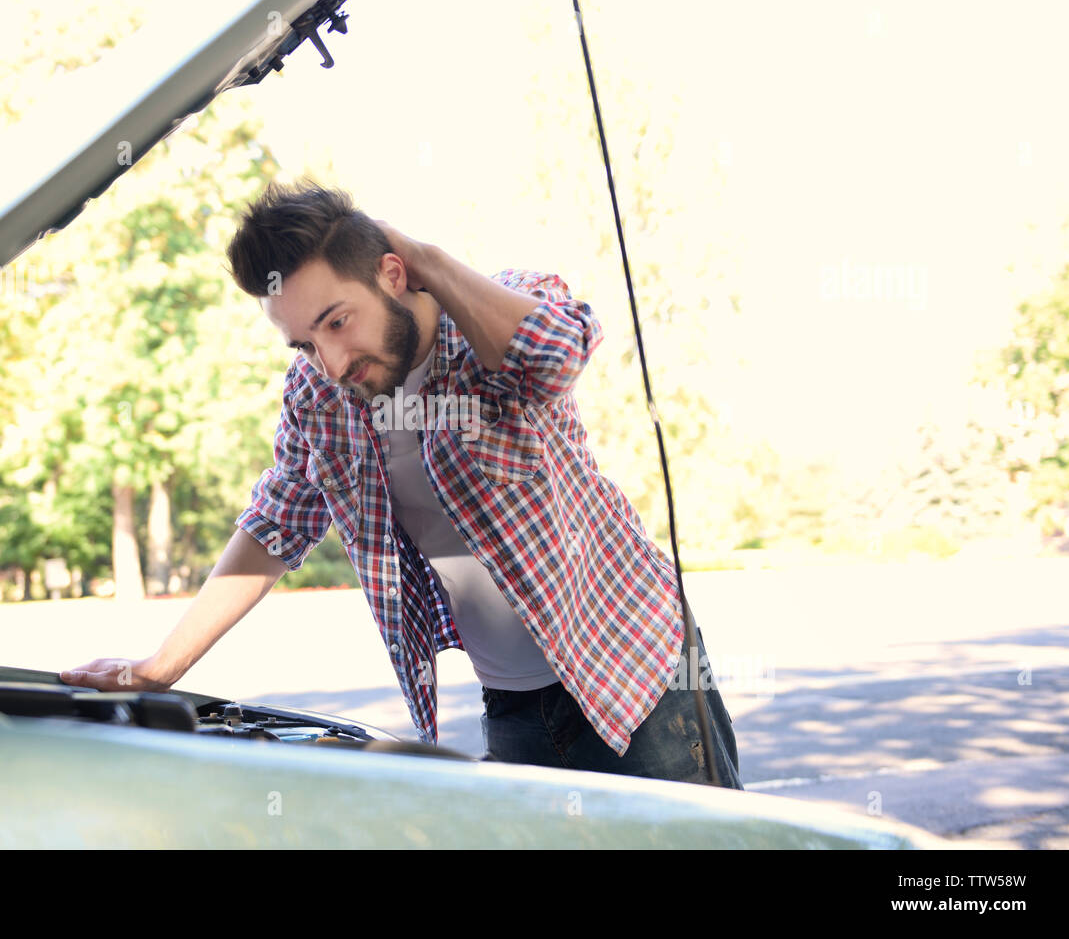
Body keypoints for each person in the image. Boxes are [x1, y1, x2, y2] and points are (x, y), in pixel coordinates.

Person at [62, 178, 742, 788]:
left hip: (640, 677)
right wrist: (160, 667)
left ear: (393, 272)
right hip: (511, 706)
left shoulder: (491, 316)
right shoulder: (319, 396)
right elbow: (275, 524)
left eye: (336, 321)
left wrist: (432, 260)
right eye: (304, 342)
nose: (329, 361)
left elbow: (559, 353)